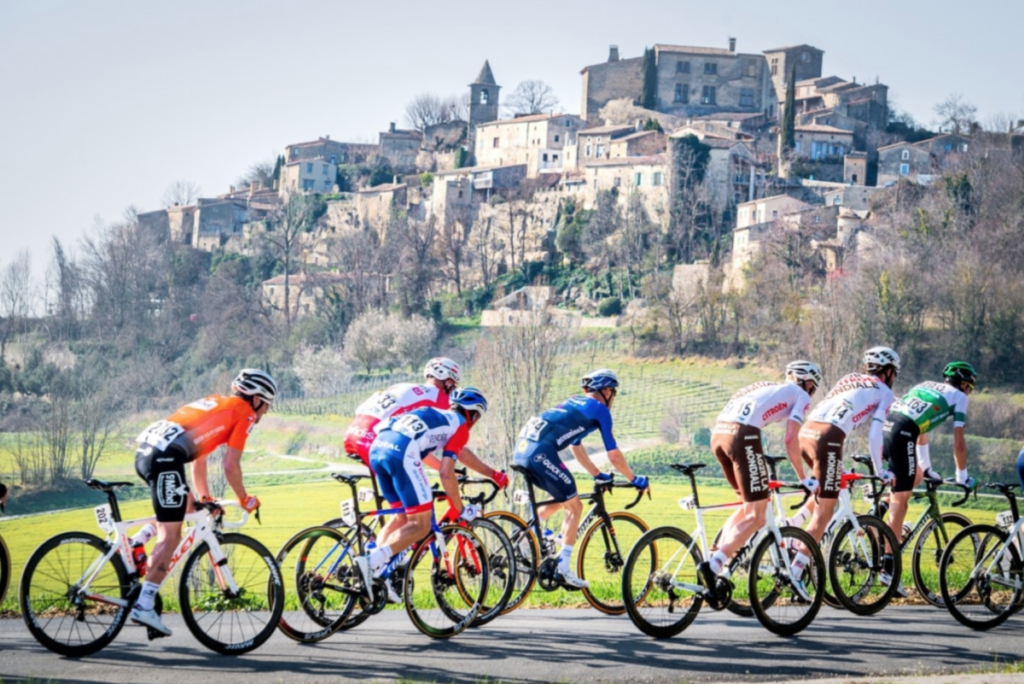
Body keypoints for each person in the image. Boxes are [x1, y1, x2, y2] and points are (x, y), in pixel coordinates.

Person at [130, 368, 277, 636]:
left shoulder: (217, 404)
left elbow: (199, 460)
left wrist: (205, 500)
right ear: (256, 399)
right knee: (170, 536)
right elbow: (231, 466)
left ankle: (137, 541)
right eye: (266, 406)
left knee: (185, 507)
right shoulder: (243, 413)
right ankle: (144, 604)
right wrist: (244, 499)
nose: (265, 413)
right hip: (165, 459)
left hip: (151, 452)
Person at [698, 361, 822, 603]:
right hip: (742, 435)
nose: (812, 393)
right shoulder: (800, 394)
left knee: (746, 506)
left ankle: (722, 555)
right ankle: (713, 566)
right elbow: (790, 439)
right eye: (813, 388)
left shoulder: (765, 387)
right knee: (758, 514)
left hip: (718, 435)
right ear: (807, 383)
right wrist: (803, 478)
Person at [511, 369, 647, 589]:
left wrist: (596, 474)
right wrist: (635, 479)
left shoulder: (576, 403)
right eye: (613, 391)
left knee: (563, 497)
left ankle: (530, 541)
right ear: (605, 391)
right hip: (540, 453)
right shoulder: (600, 410)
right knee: (575, 506)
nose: (613, 397)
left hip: (522, 451)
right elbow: (614, 455)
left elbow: (576, 446)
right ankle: (563, 568)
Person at [354, 387, 490, 602]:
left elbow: (430, 457)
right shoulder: (461, 426)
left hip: (378, 447)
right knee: (421, 524)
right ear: (473, 415)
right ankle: (370, 563)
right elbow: (446, 472)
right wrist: (462, 510)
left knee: (400, 518)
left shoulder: (432, 413)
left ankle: (377, 574)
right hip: (400, 451)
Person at [792, 347, 900, 579]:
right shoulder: (885, 392)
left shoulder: (848, 378)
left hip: (806, 432)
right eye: (895, 374)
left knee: (823, 493)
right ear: (889, 371)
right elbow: (875, 434)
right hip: (828, 439)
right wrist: (880, 470)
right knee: (824, 513)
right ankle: (796, 571)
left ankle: (794, 530)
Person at [881, 361, 976, 595]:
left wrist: (927, 467)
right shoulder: (959, 396)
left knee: (916, 476)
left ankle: (877, 513)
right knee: (900, 503)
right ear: (964, 384)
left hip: (886, 428)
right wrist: (962, 476)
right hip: (903, 433)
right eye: (971, 388)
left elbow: (920, 427)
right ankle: (888, 569)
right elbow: (959, 442)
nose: (969, 393)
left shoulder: (926, 385)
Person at [344, 357, 462, 468]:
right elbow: (455, 442)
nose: (453, 390)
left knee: (399, 478)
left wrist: (444, 469)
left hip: (352, 434)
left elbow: (419, 450)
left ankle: (368, 491)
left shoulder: (401, 386)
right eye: (454, 386)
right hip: (374, 440)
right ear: (449, 382)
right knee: (411, 484)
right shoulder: (439, 398)